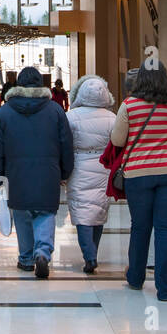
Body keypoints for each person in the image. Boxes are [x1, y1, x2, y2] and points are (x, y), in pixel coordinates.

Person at [109, 64, 167, 302]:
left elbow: (117, 139)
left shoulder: (129, 105)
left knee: (140, 226)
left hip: (139, 173)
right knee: (165, 228)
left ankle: (135, 278)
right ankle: (166, 289)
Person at [0, 65, 74, 279]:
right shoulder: (55, 110)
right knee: (45, 213)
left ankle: (26, 258)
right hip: (48, 173)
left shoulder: (5, 112)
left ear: (18, 84)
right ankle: (43, 252)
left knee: (22, 214)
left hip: (16, 174)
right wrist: (65, 171)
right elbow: (66, 143)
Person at [66, 74, 116, 273]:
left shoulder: (71, 116)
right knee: (98, 210)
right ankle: (92, 251)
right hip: (104, 167)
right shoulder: (113, 118)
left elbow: (65, 144)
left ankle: (89, 255)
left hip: (78, 166)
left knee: (81, 211)